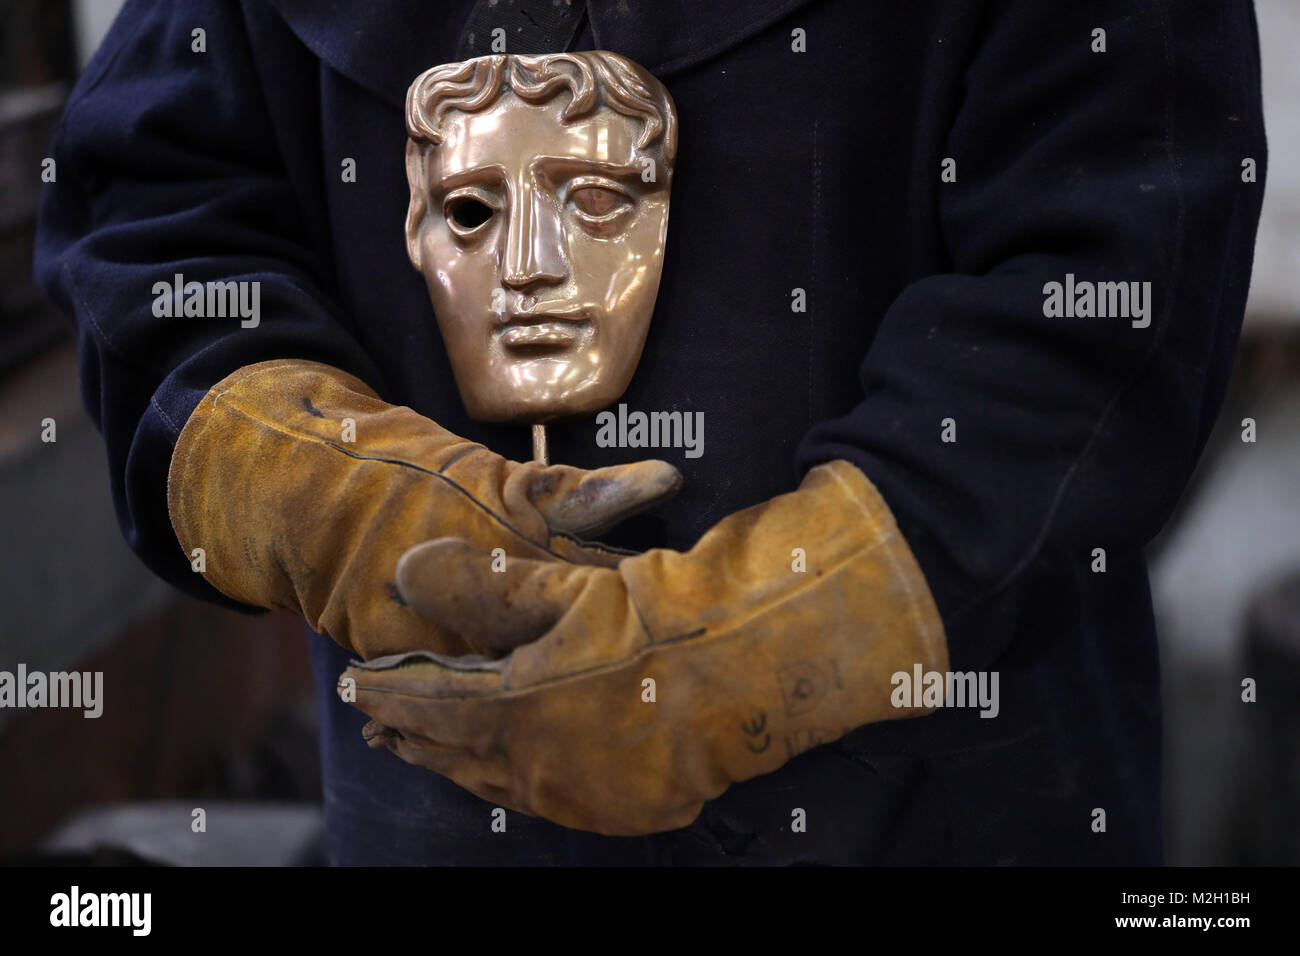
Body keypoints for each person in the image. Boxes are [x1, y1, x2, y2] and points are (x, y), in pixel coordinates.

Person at [35, 0, 1265, 865]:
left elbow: (1113, 266)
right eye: (469, 210)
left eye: (596, 202)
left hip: (953, 803)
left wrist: (791, 620)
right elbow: (156, 199)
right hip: (438, 827)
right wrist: (313, 485)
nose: (531, 270)